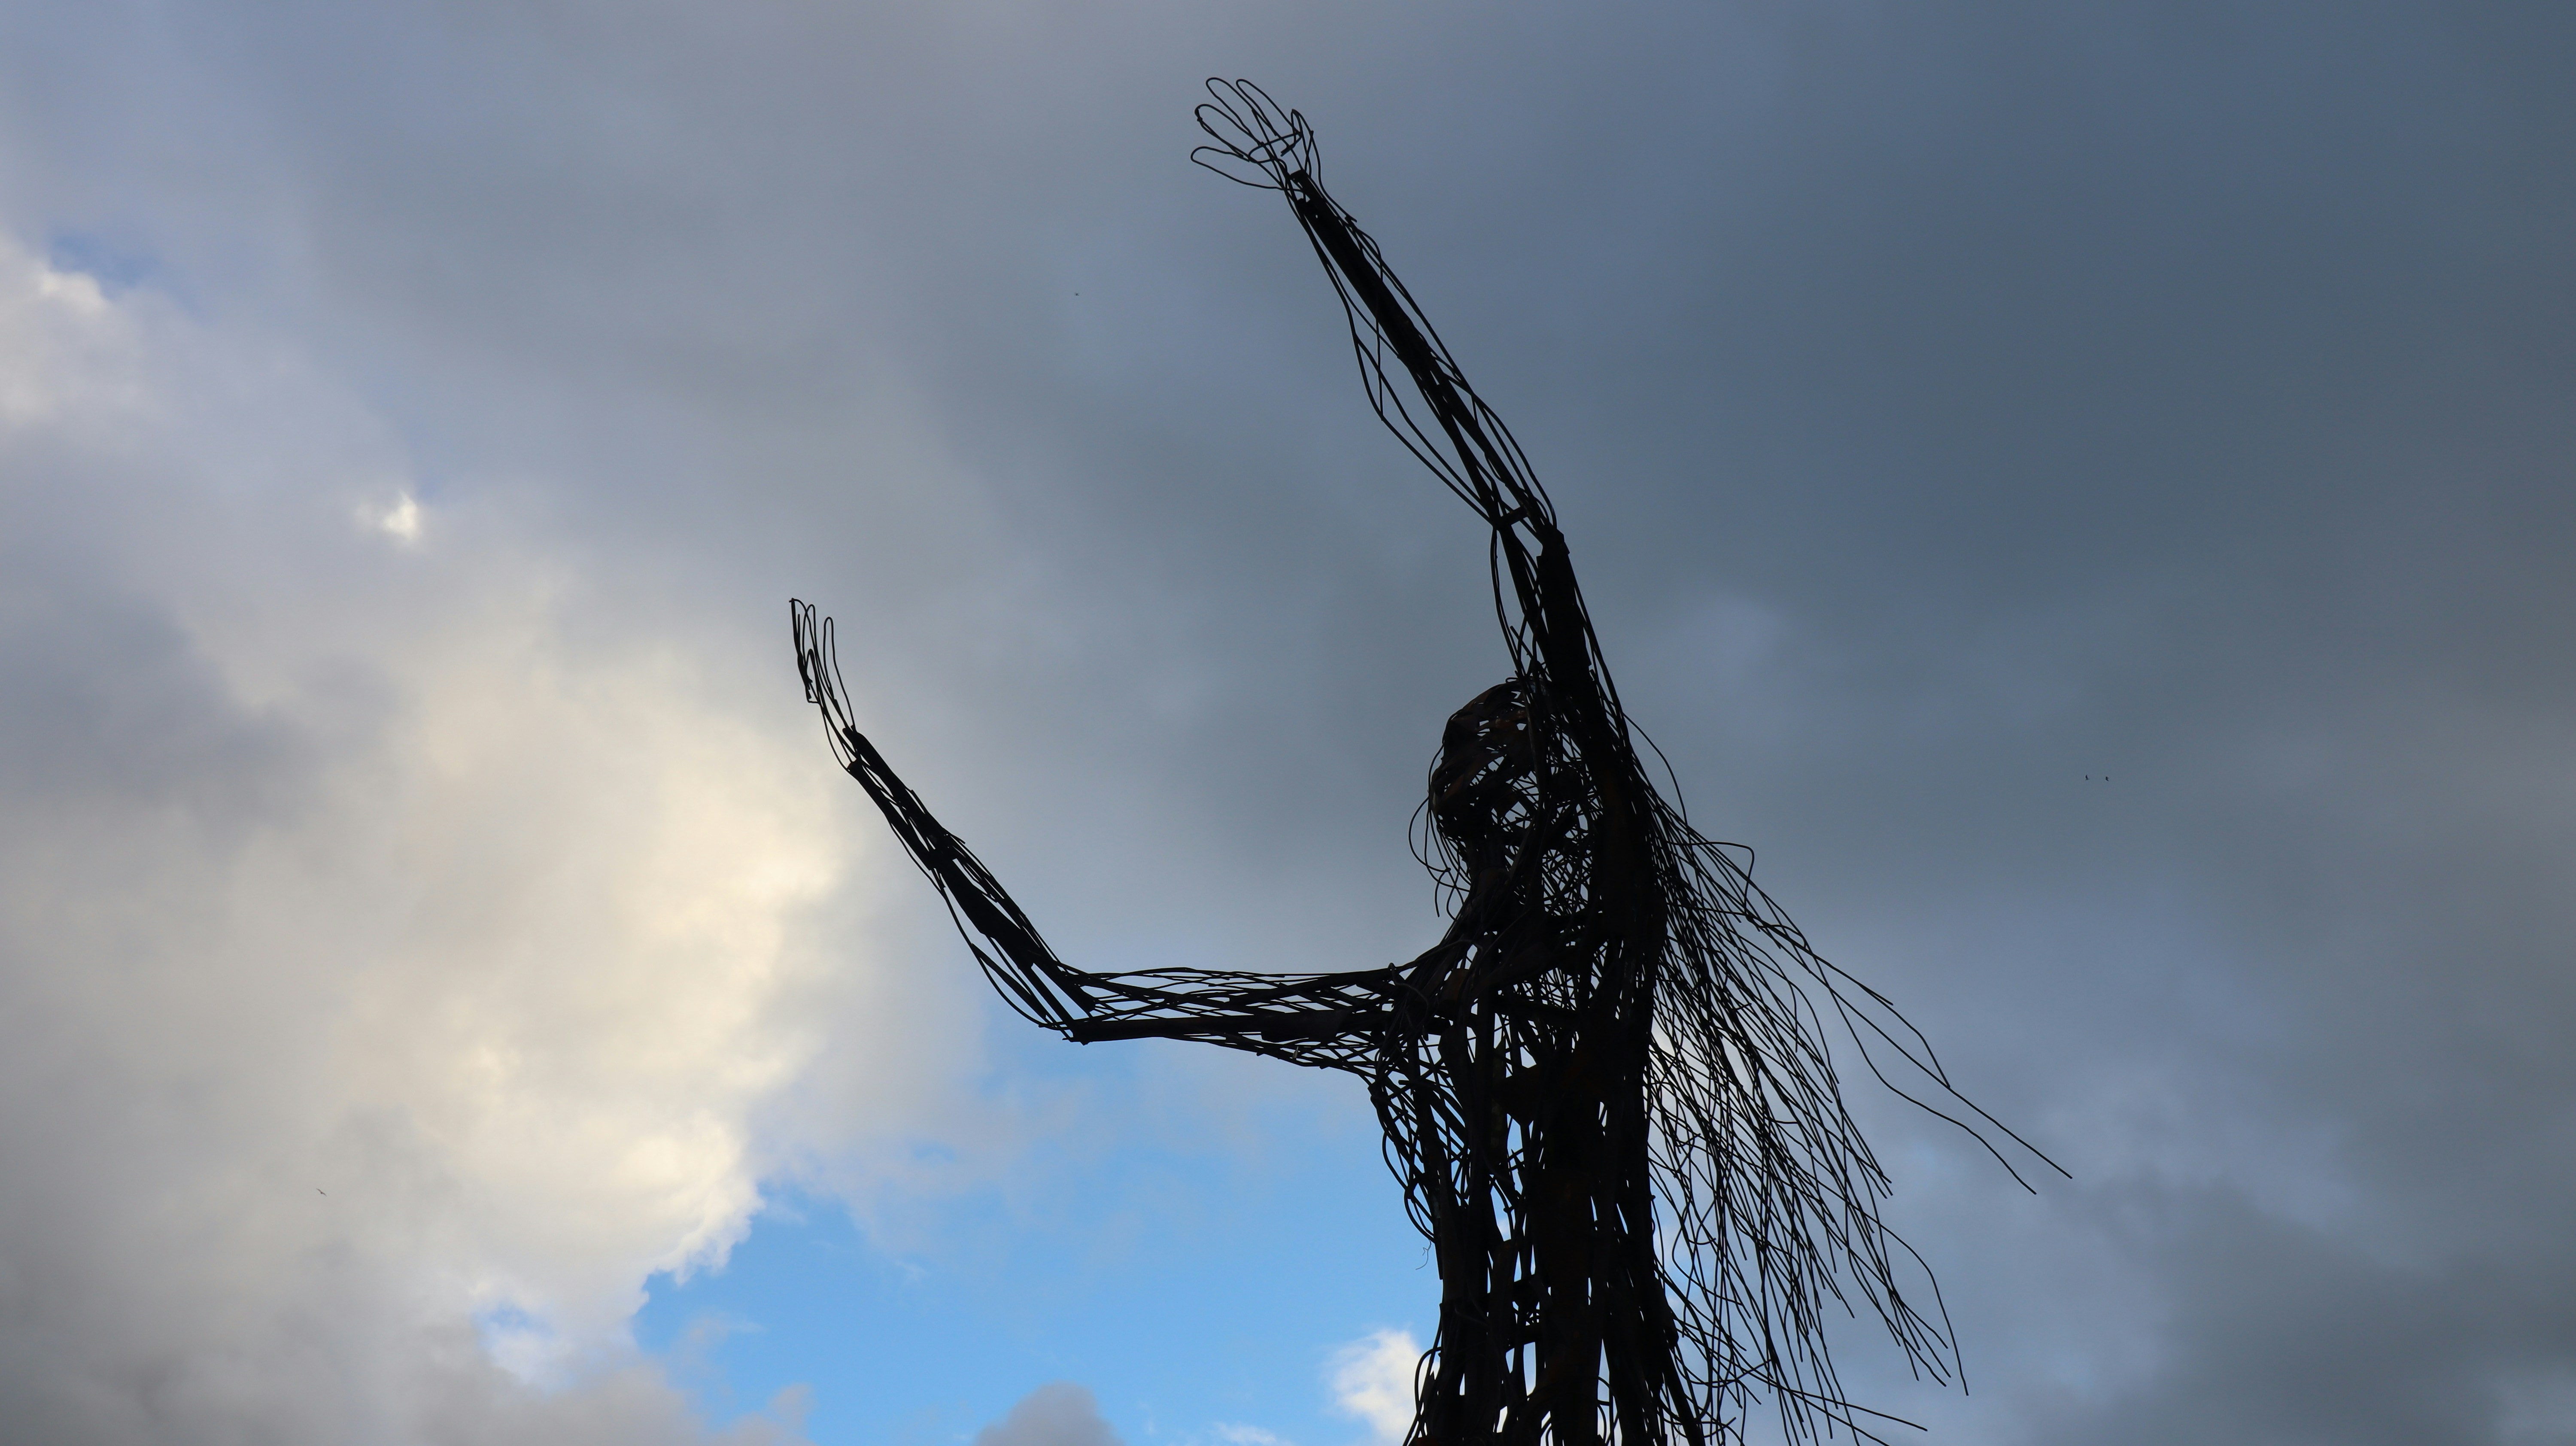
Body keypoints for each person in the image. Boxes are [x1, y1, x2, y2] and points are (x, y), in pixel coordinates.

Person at [792, 80, 2053, 1446]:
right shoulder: (1421, 1005)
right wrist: (870, 768)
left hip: (1586, 1381)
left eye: (1515, 760)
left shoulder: (1608, 926)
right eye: (1472, 777)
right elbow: (1076, 1000)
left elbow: (1530, 534)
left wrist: (1317, 212)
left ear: (1571, 785)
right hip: (1499, 1395)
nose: (1489, 789)